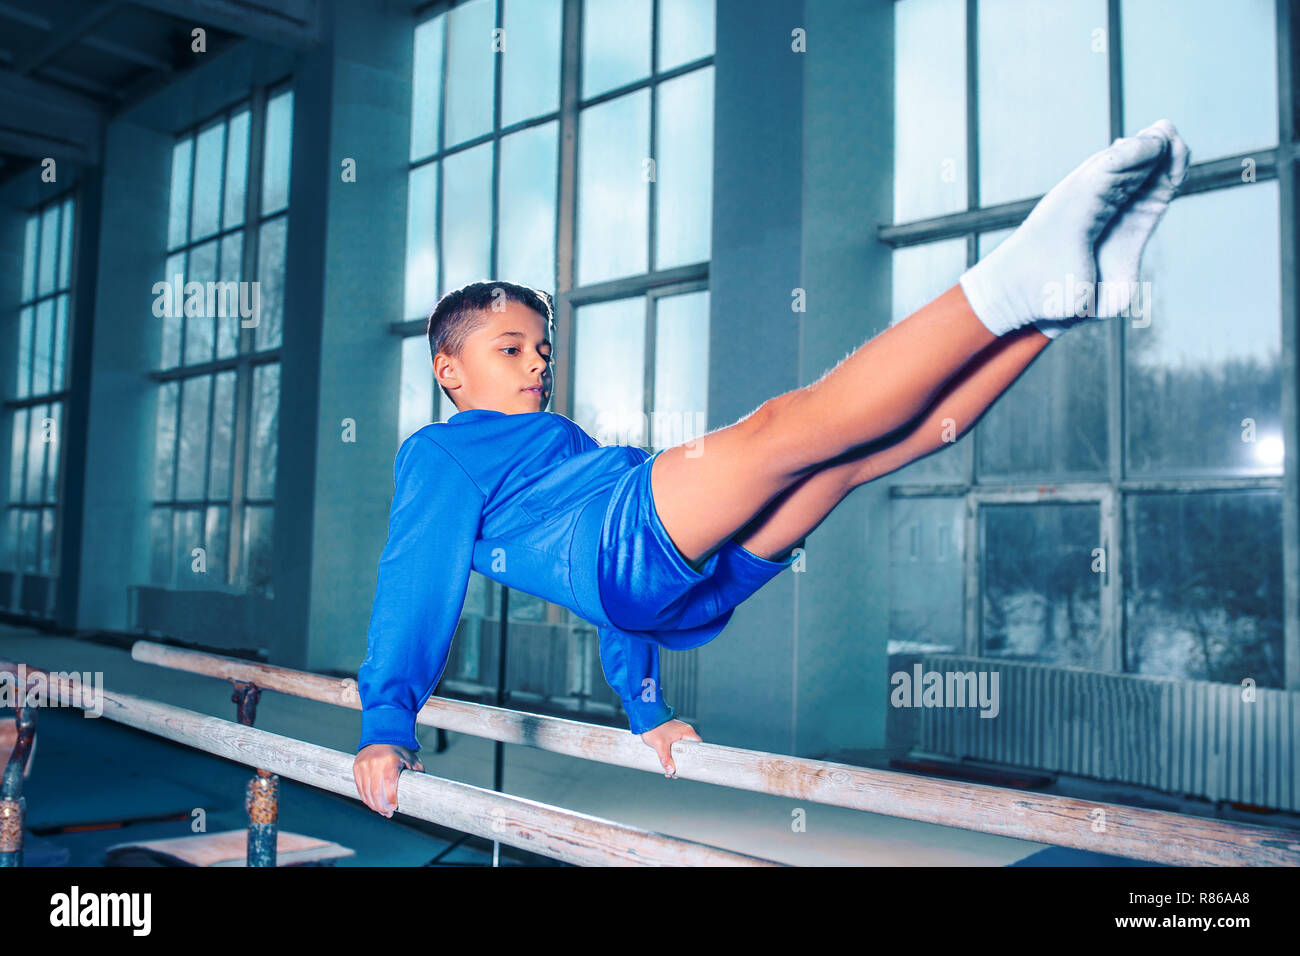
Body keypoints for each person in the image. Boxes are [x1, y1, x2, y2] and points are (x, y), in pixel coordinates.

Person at [353, 119, 1190, 819]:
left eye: (543, 347)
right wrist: (387, 720)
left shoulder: (559, 442)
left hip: (674, 579)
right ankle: (1014, 283)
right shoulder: (441, 453)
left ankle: (1053, 314)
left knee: (860, 455)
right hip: (633, 546)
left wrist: (647, 709)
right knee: (785, 426)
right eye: (509, 349)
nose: (536, 363)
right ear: (447, 371)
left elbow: (609, 602)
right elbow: (415, 584)